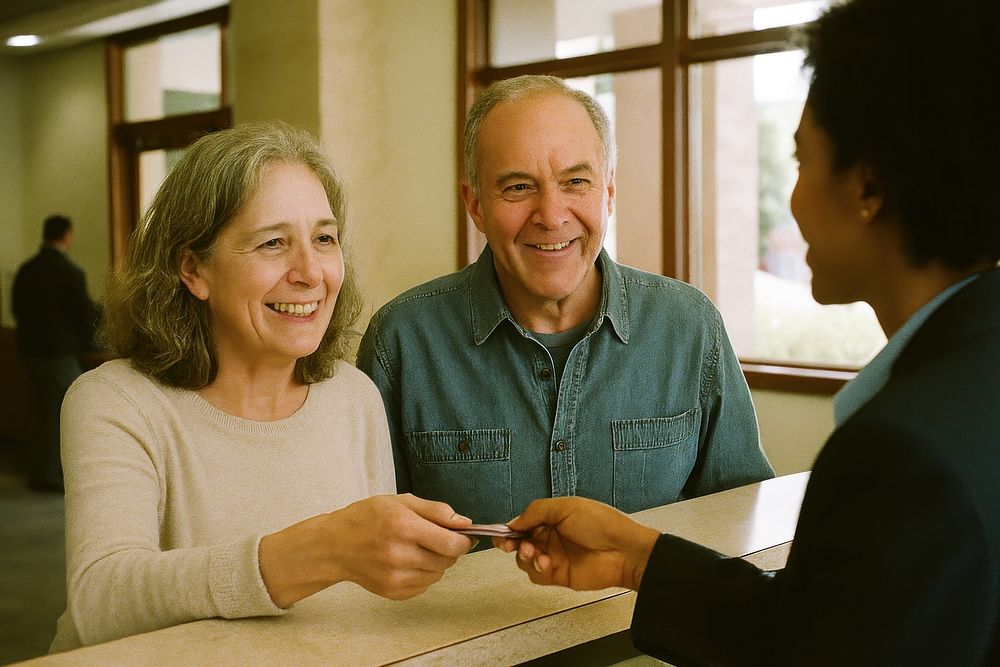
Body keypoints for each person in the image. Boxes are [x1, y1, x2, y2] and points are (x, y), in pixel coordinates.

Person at [497, 0, 1000, 664]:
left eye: (800, 161)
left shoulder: (902, 455)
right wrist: (638, 556)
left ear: (867, 185)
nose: (790, 198)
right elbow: (826, 624)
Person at [50, 122, 475, 652]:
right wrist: (323, 549)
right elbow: (101, 601)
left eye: (324, 239)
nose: (310, 271)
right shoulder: (115, 401)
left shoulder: (353, 395)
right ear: (193, 268)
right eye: (273, 243)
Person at [356, 75, 773, 527]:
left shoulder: (690, 328)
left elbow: (739, 520)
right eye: (518, 187)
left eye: (575, 181)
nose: (552, 217)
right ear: (475, 203)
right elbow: (367, 540)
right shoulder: (400, 343)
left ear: (608, 192)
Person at [12, 214, 98, 492]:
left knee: (42, 411)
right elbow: (83, 314)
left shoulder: (26, 269)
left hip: (30, 351)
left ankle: (41, 471)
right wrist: (90, 343)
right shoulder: (69, 273)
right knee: (69, 411)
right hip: (60, 352)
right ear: (66, 236)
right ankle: (54, 476)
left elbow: (17, 309)